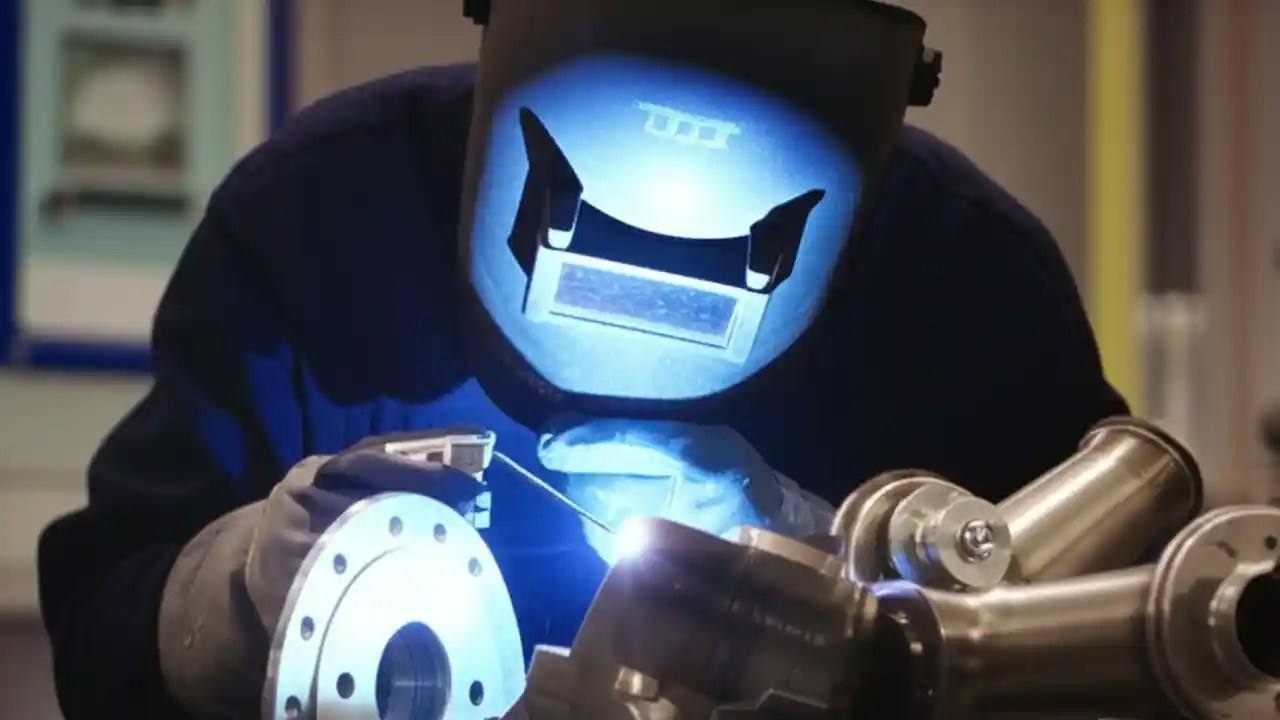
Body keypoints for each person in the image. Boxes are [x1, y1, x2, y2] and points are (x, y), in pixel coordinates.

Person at [37, 2, 1128, 718]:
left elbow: (1122, 652)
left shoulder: (966, 281)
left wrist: (834, 569)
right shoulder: (326, 215)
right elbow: (100, 627)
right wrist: (234, 594)